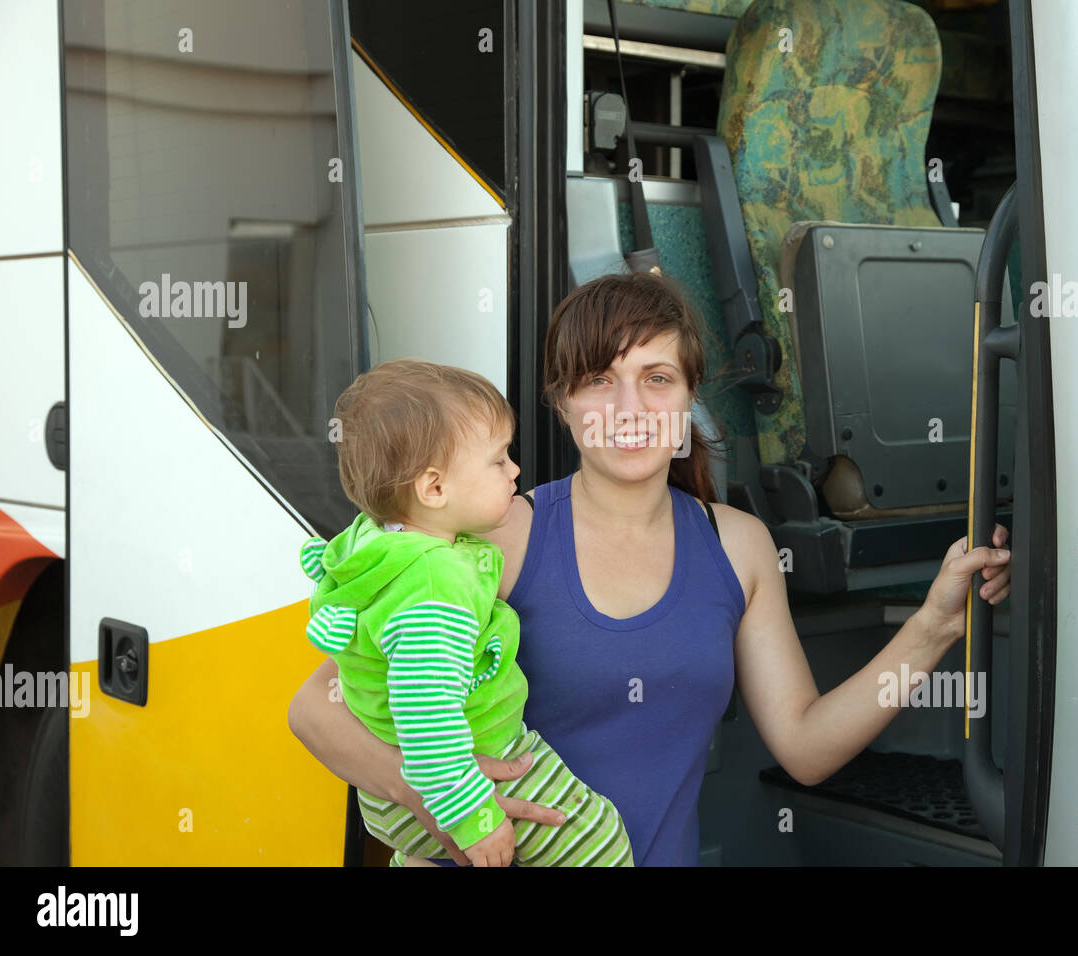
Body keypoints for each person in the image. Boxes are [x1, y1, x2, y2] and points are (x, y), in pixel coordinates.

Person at [288, 271, 1012, 866]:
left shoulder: (740, 546)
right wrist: (440, 799)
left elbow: (805, 747)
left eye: (657, 377)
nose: (628, 408)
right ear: (564, 405)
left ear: (691, 397)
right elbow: (313, 709)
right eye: (600, 380)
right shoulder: (497, 537)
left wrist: (934, 626)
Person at [300, 359, 632, 866]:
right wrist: (474, 817)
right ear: (434, 489)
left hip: (395, 791)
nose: (514, 470)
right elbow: (426, 715)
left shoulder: (377, 541)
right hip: (463, 772)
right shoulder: (437, 589)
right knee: (599, 840)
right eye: (498, 460)